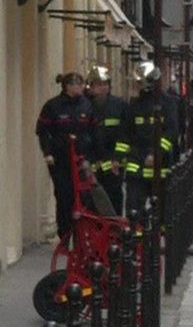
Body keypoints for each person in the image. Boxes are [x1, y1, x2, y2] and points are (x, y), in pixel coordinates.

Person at [36, 72, 95, 240]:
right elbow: (42, 131)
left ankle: (81, 235)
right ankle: (65, 234)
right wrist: (47, 153)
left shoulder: (87, 105)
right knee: (64, 197)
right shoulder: (53, 106)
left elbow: (93, 131)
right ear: (69, 86)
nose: (82, 88)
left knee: (84, 197)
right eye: (79, 85)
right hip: (60, 160)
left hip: (82, 159)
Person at [121, 61, 178, 218]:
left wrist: (156, 153)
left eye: (138, 82)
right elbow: (126, 134)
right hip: (136, 166)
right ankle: (136, 238)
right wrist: (120, 158)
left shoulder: (167, 104)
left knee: (161, 210)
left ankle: (159, 237)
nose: (136, 85)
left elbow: (171, 132)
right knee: (134, 209)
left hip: (159, 166)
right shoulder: (134, 105)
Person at [85, 65, 128, 215]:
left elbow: (125, 135)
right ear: (90, 87)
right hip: (92, 164)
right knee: (92, 202)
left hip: (113, 164)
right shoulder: (85, 106)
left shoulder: (119, 105)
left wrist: (117, 158)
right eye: (98, 84)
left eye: (105, 84)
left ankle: (115, 233)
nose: (102, 88)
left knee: (114, 198)